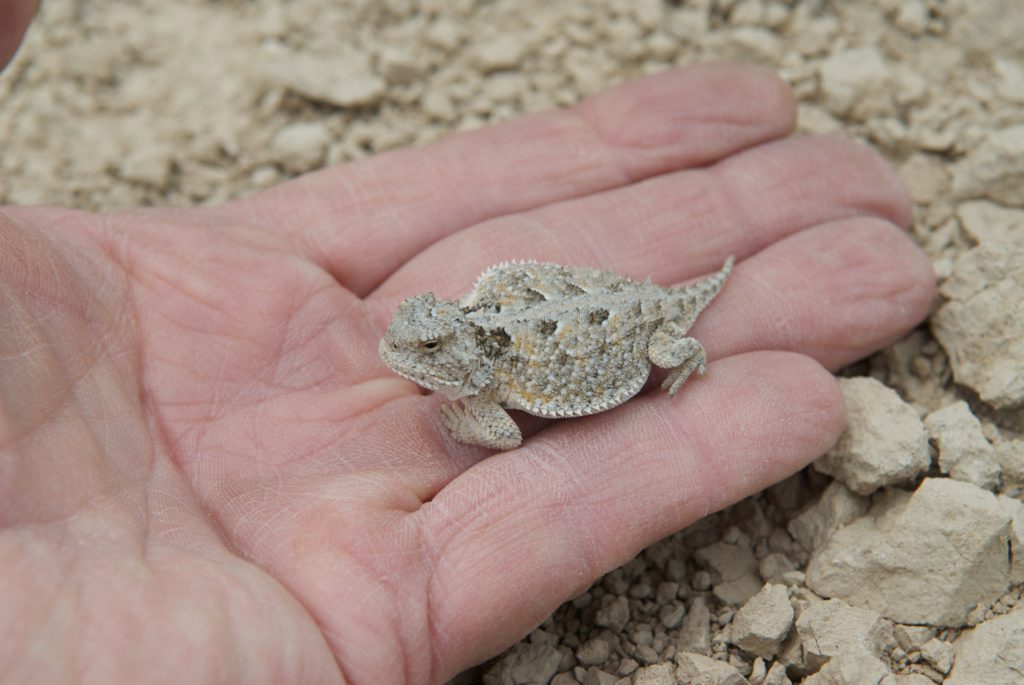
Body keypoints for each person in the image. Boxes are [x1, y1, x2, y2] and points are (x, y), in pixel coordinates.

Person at [0, 6, 933, 685]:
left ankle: (685, 329)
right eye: (417, 347)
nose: (411, 361)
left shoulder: (484, 385)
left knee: (672, 348)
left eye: (430, 356)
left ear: (458, 356)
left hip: (624, 323)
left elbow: (510, 435)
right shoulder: (462, 341)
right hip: (551, 315)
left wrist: (469, 400)